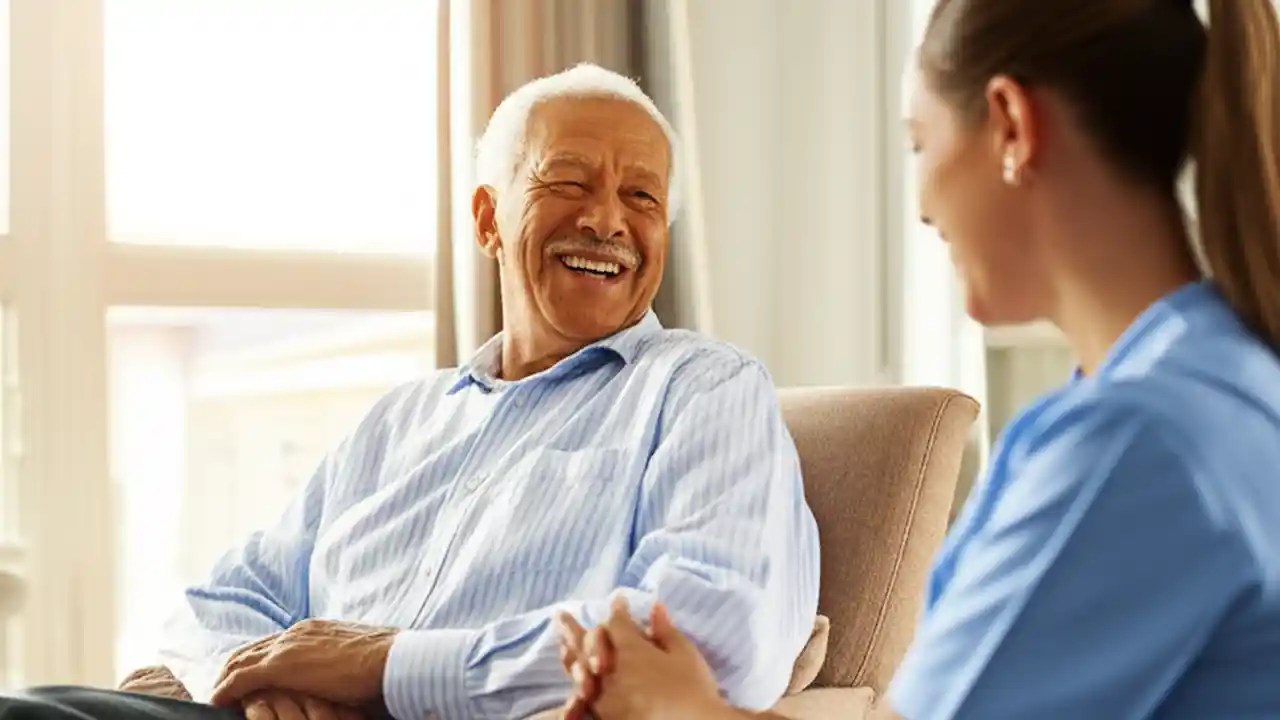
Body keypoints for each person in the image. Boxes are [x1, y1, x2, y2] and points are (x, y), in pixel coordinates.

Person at [0, 64, 820, 720]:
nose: (608, 219)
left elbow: (716, 635)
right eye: (568, 182)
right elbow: (220, 602)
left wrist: (382, 668)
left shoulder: (702, 389)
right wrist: (264, 681)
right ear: (488, 218)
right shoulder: (403, 419)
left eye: (641, 195)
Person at [557, 0, 1280, 718]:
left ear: (1010, 126)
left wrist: (676, 708)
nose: (923, 207)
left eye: (918, 143)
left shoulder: (1133, 442)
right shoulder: (1223, 379)